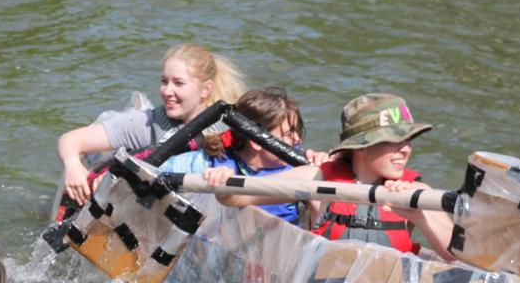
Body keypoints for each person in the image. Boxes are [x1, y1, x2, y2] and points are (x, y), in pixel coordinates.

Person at [201, 93, 456, 260]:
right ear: (362, 147)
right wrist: (225, 181)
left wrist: (420, 217)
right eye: (394, 141)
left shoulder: (415, 190)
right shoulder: (318, 179)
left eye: (408, 140)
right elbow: (237, 199)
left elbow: (457, 254)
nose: (405, 149)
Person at [56, 44, 245, 206]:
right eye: (164, 81)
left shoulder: (231, 130)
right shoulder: (151, 122)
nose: (167, 91)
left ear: (206, 89)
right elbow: (71, 139)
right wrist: (73, 166)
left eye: (178, 83)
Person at [159, 87, 323, 225]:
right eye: (289, 134)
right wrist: (215, 180)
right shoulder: (205, 164)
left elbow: (323, 224)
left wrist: (326, 168)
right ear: (257, 141)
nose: (298, 139)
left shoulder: (303, 170)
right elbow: (149, 174)